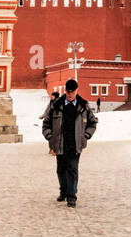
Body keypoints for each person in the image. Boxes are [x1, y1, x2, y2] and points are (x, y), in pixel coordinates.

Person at [42, 78, 98, 208]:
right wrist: (50, 137)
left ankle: (71, 196)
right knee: (61, 170)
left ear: (77, 91)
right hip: (60, 143)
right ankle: (64, 191)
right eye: (68, 91)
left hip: (75, 143)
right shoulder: (56, 105)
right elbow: (46, 123)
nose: (70, 94)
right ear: (65, 91)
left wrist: (86, 136)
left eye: (72, 92)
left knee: (72, 169)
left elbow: (92, 123)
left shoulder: (84, 106)